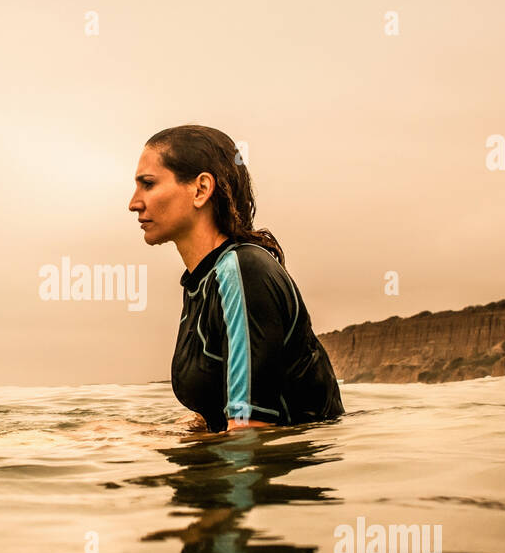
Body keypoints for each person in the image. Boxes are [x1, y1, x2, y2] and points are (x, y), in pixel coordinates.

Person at [129, 125, 344, 433]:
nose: (134, 202)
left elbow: (250, 433)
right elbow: (218, 413)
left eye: (147, 184)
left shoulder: (242, 273)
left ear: (201, 189)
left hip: (284, 469)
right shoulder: (201, 282)